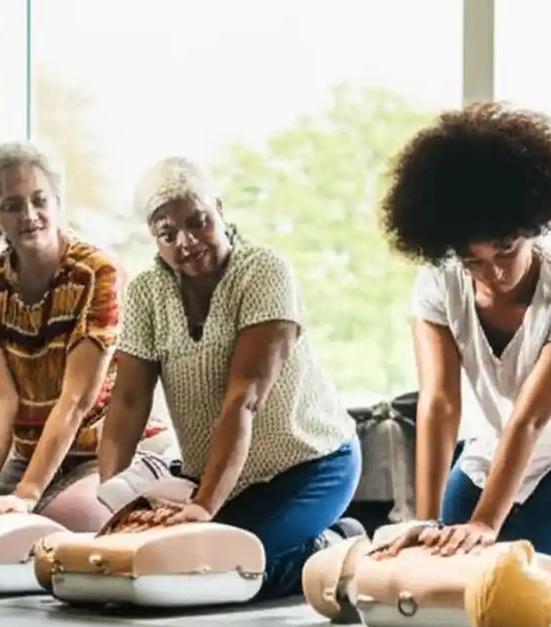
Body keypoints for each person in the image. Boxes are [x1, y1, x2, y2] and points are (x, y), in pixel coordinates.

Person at [375, 102, 551, 620]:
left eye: (506, 250)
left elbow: (531, 417)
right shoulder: (438, 286)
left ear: (532, 224)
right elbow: (439, 407)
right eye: (472, 260)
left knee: (543, 586)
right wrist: (429, 521)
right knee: (460, 580)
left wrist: (483, 524)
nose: (494, 273)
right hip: (497, 451)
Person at [97, 156, 364, 601]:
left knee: (218, 572)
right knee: (160, 567)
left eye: (198, 222)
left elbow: (245, 398)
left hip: (310, 466)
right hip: (225, 479)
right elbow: (127, 400)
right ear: (155, 239)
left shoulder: (263, 271)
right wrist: (113, 501)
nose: (187, 241)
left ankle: (334, 545)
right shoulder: (146, 291)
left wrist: (203, 507)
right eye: (168, 234)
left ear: (219, 210)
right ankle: (307, 541)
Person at [0, 141, 119, 532]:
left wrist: (27, 495)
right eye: (12, 206)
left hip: (104, 449)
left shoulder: (97, 273)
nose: (29, 215)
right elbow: (0, 394)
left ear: (57, 203)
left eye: (39, 200)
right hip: (31, 452)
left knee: (59, 521)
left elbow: (77, 400)